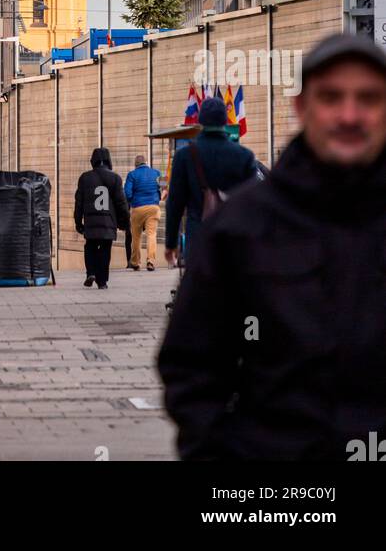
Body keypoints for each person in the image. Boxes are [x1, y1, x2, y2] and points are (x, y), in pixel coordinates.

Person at [158, 33, 386, 461]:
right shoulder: (242, 226)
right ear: (303, 106)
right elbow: (191, 363)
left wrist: (172, 242)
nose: (350, 114)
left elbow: (178, 203)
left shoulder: (194, 165)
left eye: (369, 98)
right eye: (331, 97)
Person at [164, 97, 257, 266]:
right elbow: (254, 203)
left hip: (199, 237)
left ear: (200, 121)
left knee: (199, 287)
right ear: (225, 120)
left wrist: (171, 243)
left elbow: (175, 203)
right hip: (234, 238)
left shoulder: (184, 156)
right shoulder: (244, 156)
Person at [74, 147, 130, 289]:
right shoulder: (115, 178)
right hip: (108, 221)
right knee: (105, 249)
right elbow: (121, 203)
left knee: (90, 246)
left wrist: (78, 221)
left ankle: (90, 273)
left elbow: (79, 202)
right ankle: (102, 281)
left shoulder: (84, 178)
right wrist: (124, 222)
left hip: (91, 221)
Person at [123, 154, 163, 271]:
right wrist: (157, 198)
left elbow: (127, 193)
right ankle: (150, 261)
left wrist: (133, 201)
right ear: (146, 162)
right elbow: (164, 188)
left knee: (136, 236)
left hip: (138, 208)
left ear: (136, 165)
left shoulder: (132, 175)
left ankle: (135, 262)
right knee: (151, 234)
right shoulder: (157, 173)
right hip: (153, 208)